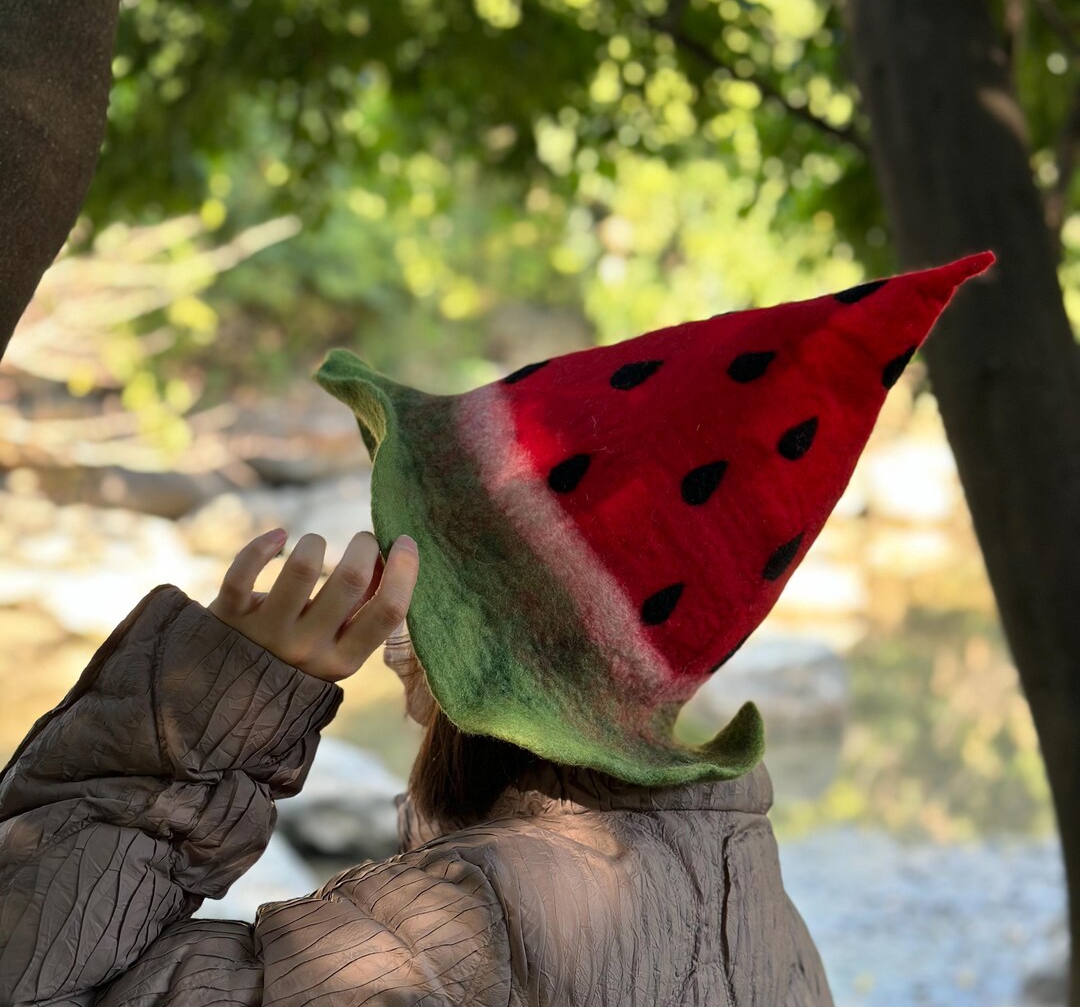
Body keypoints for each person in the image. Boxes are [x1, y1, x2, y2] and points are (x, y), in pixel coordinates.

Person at [0, 252, 994, 1006]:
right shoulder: (763, 917)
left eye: (421, 603)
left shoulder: (451, 930)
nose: (397, 654)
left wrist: (207, 723)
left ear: (487, 653)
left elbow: (33, 979)